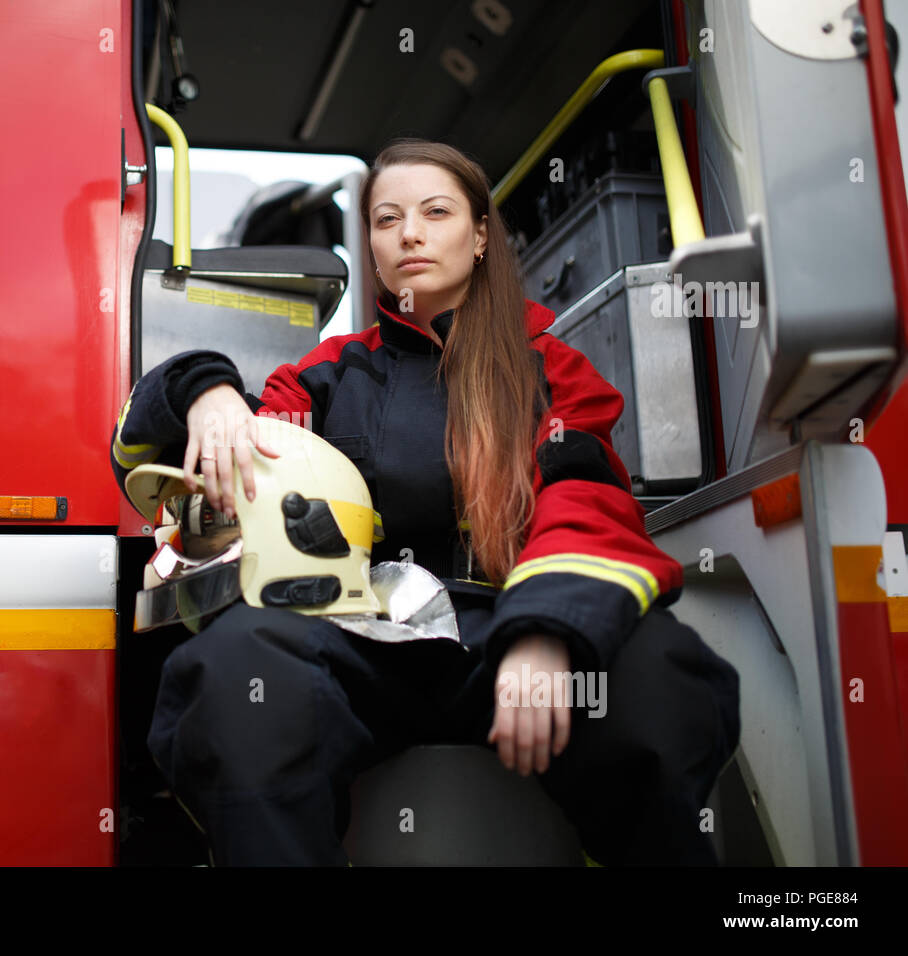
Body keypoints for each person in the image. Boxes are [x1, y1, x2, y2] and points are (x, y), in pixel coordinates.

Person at [110, 138, 741, 866]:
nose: (408, 232)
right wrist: (205, 391)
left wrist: (547, 633)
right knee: (233, 671)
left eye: (435, 213)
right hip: (358, 639)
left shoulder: (553, 368)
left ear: (479, 237)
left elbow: (587, 500)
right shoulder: (325, 374)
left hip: (509, 623)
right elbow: (179, 447)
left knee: (661, 676)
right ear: (371, 246)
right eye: (386, 218)